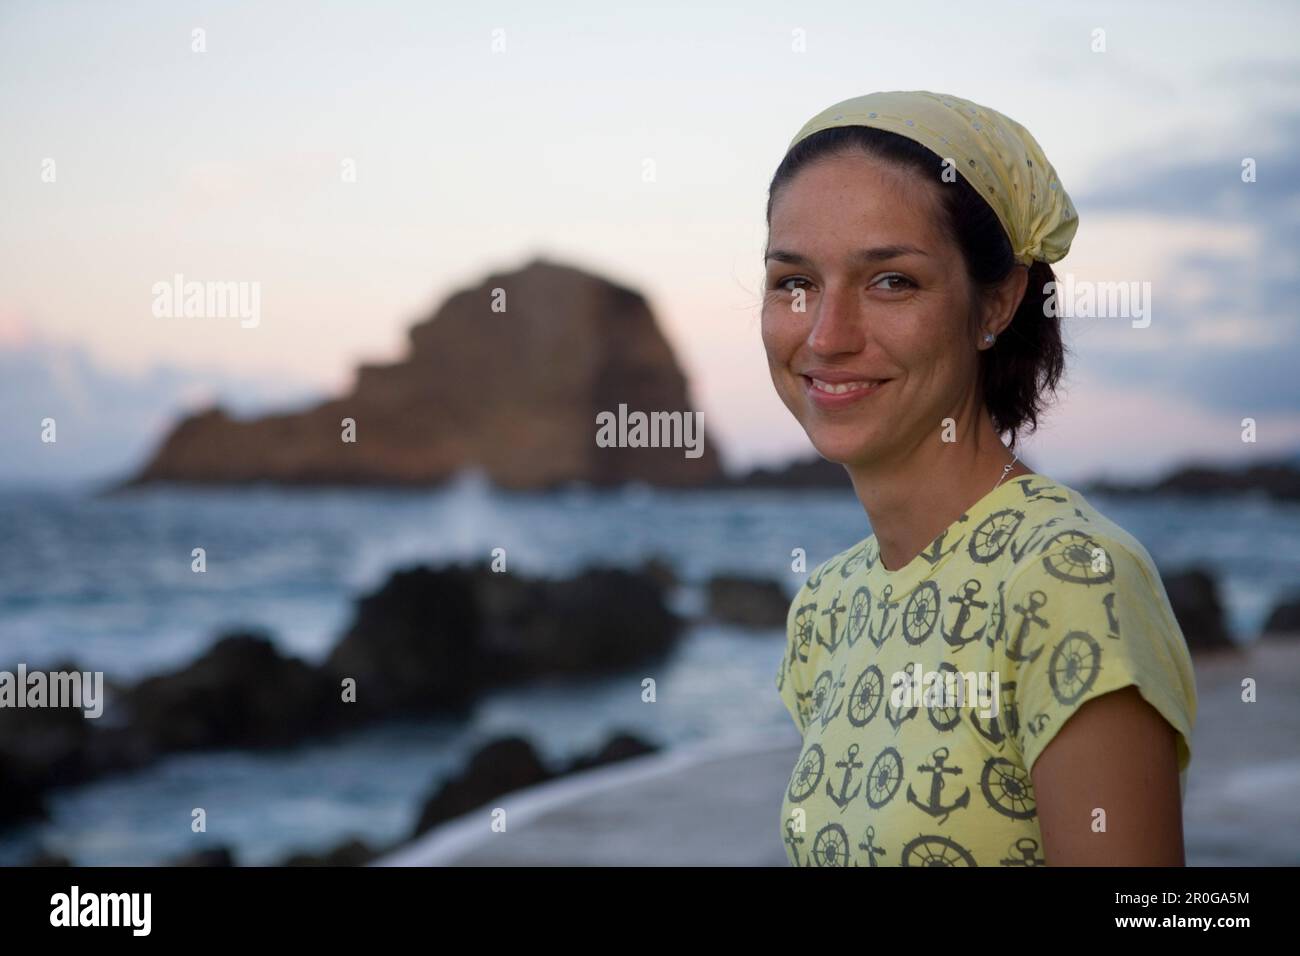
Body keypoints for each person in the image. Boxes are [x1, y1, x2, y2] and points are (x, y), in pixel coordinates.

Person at [765, 91, 1197, 866]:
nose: (827, 336)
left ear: (996, 301)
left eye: (891, 280)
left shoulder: (1069, 580)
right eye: (794, 282)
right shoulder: (827, 609)